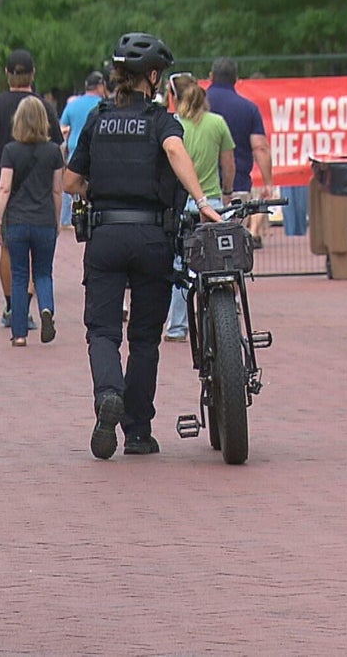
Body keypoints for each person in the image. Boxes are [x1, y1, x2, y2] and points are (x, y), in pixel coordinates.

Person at [64, 32, 221, 459]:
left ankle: (108, 395)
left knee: (102, 331)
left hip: (106, 237)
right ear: (152, 76)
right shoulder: (160, 121)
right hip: (153, 236)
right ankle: (137, 431)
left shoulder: (98, 118)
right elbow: (173, 150)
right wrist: (203, 201)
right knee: (146, 338)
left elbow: (70, 181)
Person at [0, 49, 64, 329]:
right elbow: (58, 147)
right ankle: (32, 306)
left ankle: (13, 306)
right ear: (33, 74)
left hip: (6, 189)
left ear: (7, 74)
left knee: (9, 250)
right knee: (40, 258)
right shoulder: (44, 106)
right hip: (41, 194)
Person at [163, 73, 234, 342]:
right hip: (211, 201)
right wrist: (227, 192)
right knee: (215, 263)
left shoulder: (173, 125)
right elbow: (228, 164)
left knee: (182, 265)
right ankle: (218, 319)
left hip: (182, 205)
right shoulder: (217, 123)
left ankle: (178, 326)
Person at [0, 96, 65, 347]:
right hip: (44, 219)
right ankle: (47, 308)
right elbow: (57, 190)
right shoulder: (54, 152)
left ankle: (20, 333)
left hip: (18, 221)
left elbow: (4, 188)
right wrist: (56, 221)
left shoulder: (11, 151)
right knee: (44, 273)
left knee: (20, 275)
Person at [207, 57, 274, 245]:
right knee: (234, 245)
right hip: (238, 186)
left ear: (211, 76)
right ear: (236, 79)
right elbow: (260, 147)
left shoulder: (196, 108)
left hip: (200, 188)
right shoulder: (248, 108)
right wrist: (268, 182)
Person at [58, 71, 107, 227]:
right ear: (100, 86)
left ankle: (66, 218)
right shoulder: (103, 106)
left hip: (74, 148)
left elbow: (62, 126)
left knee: (70, 181)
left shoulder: (73, 105)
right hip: (97, 149)